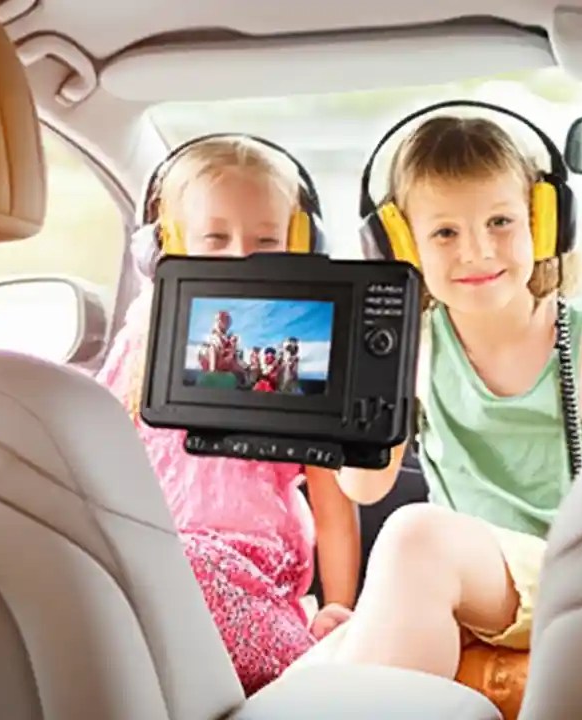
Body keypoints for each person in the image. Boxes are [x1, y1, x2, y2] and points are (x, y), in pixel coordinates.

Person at [306, 115, 582, 680]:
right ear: (401, 245)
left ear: (543, 225)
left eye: (500, 222)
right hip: (469, 578)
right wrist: (365, 379)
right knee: (313, 671)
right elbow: (364, 488)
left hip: (570, 576)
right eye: (445, 233)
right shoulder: (413, 348)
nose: (476, 251)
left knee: (415, 532)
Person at [95, 135, 359, 694]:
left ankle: (298, 665)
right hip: (157, 567)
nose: (242, 256)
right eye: (215, 238)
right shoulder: (143, 335)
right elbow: (101, 458)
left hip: (258, 577)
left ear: (298, 243)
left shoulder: (301, 349)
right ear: (167, 246)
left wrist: (340, 611)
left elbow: (333, 503)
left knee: (186, 573)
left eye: (266, 239)